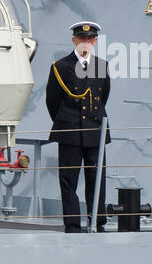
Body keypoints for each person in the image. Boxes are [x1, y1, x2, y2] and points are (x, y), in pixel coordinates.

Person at [46, 21, 112, 233]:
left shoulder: (101, 66)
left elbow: (103, 96)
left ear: (95, 41)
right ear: (74, 40)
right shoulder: (60, 67)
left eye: (89, 39)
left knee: (97, 179)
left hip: (94, 130)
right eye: (81, 39)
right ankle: (73, 225)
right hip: (70, 131)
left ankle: (97, 221)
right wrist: (66, 121)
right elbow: (53, 101)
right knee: (69, 181)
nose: (85, 42)